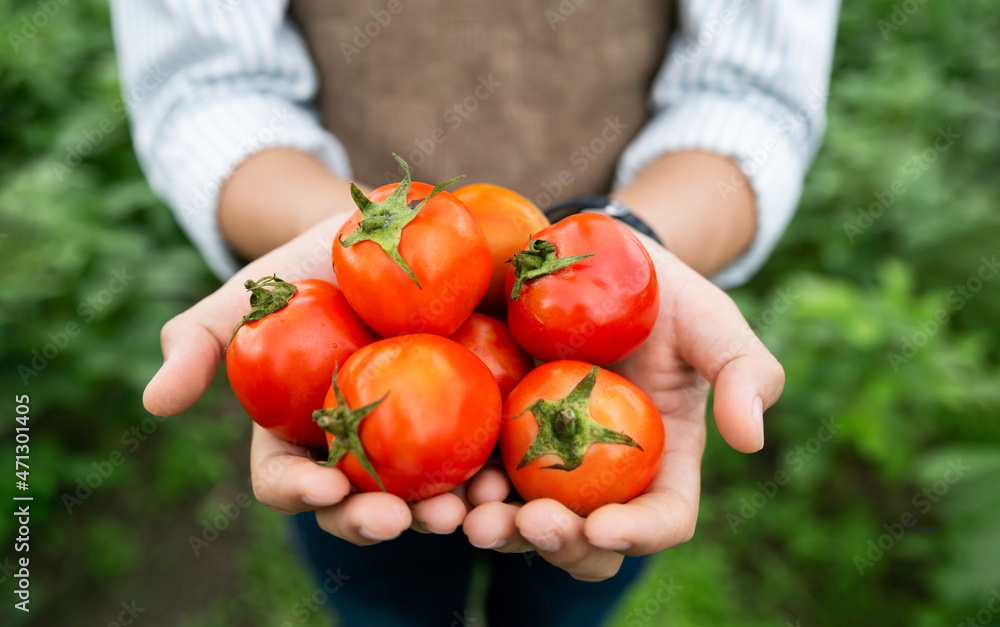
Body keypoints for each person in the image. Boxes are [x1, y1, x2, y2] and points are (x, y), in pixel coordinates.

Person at [111, 1, 838, 624]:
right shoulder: (352, 338)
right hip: (358, 435)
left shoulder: (508, 294)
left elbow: (753, 96)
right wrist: (332, 228)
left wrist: (632, 237)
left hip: (589, 348)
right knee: (381, 588)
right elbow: (205, 88)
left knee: (570, 582)